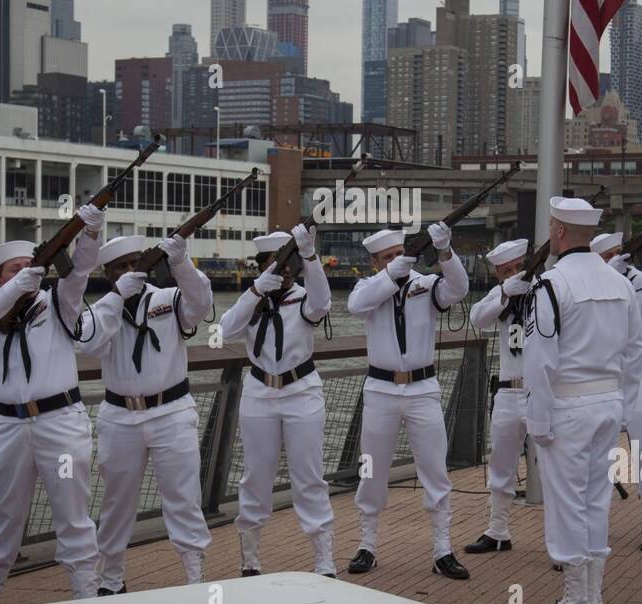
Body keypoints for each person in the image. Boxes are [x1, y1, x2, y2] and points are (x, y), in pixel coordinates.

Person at [0, 205, 105, 604]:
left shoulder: (57, 303)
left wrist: (91, 234)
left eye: (30, 266)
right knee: (5, 517)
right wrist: (14, 289)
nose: (24, 273)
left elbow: (78, 275)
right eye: (13, 270)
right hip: (9, 425)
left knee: (72, 518)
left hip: (59, 421)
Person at [521, 198, 642, 604]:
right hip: (608, 402)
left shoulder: (551, 285)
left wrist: (536, 421)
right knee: (596, 502)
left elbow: (539, 361)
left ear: (557, 232)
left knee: (567, 506)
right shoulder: (620, 283)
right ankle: (592, 600)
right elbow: (634, 351)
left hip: (568, 407)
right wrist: (623, 404)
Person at [81, 233, 213, 592]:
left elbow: (201, 304)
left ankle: (194, 577)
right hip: (120, 415)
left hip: (170, 410)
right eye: (119, 267)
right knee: (116, 502)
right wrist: (116, 296)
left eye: (134, 264)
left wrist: (181, 262)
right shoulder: (102, 309)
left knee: (183, 499)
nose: (128, 271)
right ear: (108, 274)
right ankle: (110, 579)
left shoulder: (167, 298)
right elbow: (89, 343)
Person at [346, 224, 471, 580]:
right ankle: (367, 544)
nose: (396, 260)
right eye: (387, 257)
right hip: (381, 390)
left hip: (422, 388)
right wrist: (390, 275)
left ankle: (443, 549)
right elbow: (356, 306)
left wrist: (445, 253)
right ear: (375, 262)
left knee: (435, 470)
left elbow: (459, 290)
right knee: (371, 470)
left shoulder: (427, 285)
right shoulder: (367, 288)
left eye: (399, 253)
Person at [218, 226, 335, 577]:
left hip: (301, 392)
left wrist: (311, 256)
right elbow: (222, 331)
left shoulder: (303, 297)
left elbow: (322, 304)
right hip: (259, 392)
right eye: (274, 265)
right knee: (255, 477)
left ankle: (324, 560)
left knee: (309, 477)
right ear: (262, 266)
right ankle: (250, 561)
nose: (283, 271)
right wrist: (255, 292)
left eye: (287, 264)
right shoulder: (253, 299)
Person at [589, 231, 642, 551]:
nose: (617, 257)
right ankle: (597, 522)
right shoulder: (593, 285)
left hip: (640, 371)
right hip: (603, 374)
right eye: (609, 254)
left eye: (618, 252)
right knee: (598, 452)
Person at [465, 239, 531, 555]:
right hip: (507, 390)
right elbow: (477, 318)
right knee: (501, 465)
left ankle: (561, 540)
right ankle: (498, 531)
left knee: (553, 468)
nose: (514, 274)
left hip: (540, 390)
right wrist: (505, 294)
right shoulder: (501, 294)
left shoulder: (544, 292)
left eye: (519, 268)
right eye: (506, 271)